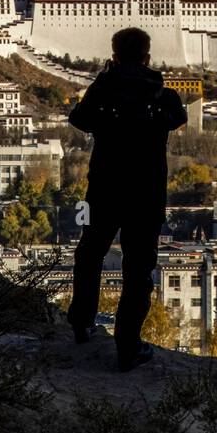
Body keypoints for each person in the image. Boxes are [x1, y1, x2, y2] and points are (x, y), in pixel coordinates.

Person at [67, 27, 187, 372]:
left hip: (103, 187)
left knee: (90, 251)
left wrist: (106, 83)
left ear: (115, 54)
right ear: (147, 55)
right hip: (147, 192)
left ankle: (82, 320)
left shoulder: (104, 87)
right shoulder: (161, 91)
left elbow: (79, 118)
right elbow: (178, 117)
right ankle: (128, 345)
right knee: (138, 268)